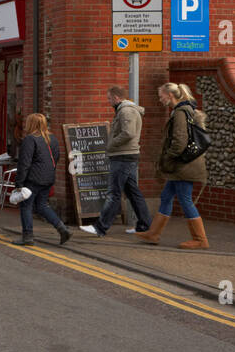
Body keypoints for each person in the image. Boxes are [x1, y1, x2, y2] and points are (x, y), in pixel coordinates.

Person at [139, 82, 209, 249]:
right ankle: (153, 233)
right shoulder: (183, 111)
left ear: (169, 95)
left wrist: (167, 159)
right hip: (181, 165)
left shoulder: (180, 113)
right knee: (166, 196)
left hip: (183, 166)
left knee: (185, 199)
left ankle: (200, 239)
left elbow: (179, 142)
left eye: (161, 95)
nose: (160, 98)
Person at [80, 86, 153, 237]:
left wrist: (111, 144)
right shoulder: (125, 110)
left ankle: (100, 227)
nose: (108, 101)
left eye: (109, 98)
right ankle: (144, 226)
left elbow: (128, 133)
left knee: (114, 193)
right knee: (133, 193)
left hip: (123, 156)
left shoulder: (126, 111)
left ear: (116, 98)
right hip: (126, 155)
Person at [15, 113, 71, 246]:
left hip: (33, 179)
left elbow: (25, 163)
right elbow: (56, 158)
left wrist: (19, 183)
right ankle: (62, 229)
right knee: (42, 205)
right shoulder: (52, 138)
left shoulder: (30, 139)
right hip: (48, 177)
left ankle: (27, 236)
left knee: (26, 206)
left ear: (30, 124)